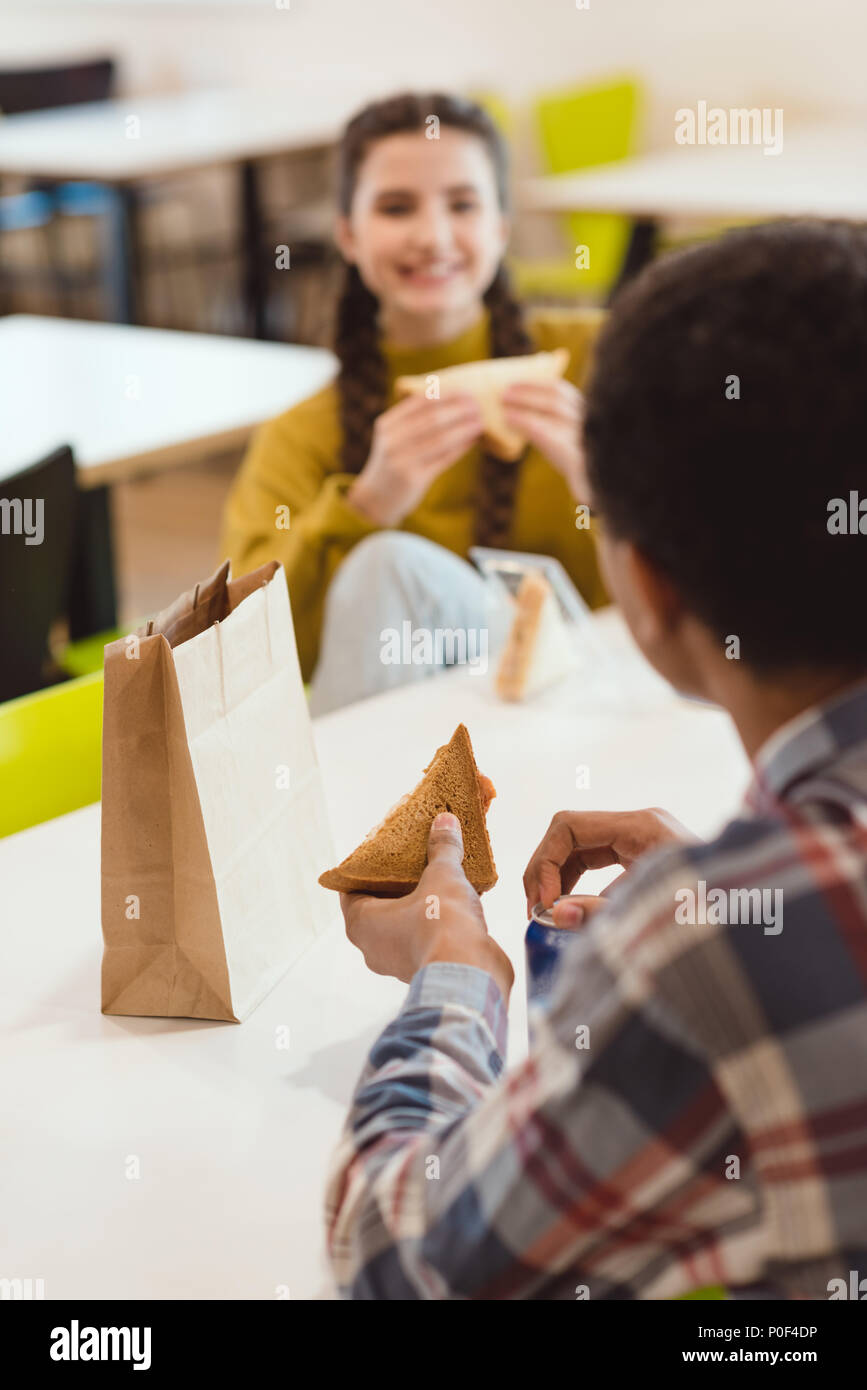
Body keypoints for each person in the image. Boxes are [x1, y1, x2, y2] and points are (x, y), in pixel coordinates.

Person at [323, 219, 867, 1299]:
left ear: (646, 588)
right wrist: (749, 886)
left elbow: (400, 1262)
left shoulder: (701, 956)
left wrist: (453, 975)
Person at [220, 92, 607, 714]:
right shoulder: (302, 432)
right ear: (347, 233)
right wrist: (366, 504)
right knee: (388, 566)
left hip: (598, 689)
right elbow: (240, 656)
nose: (432, 236)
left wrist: (606, 482)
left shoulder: (597, 357)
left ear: (501, 227)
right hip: (421, 729)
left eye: (462, 204)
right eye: (397, 208)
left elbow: (712, 567)